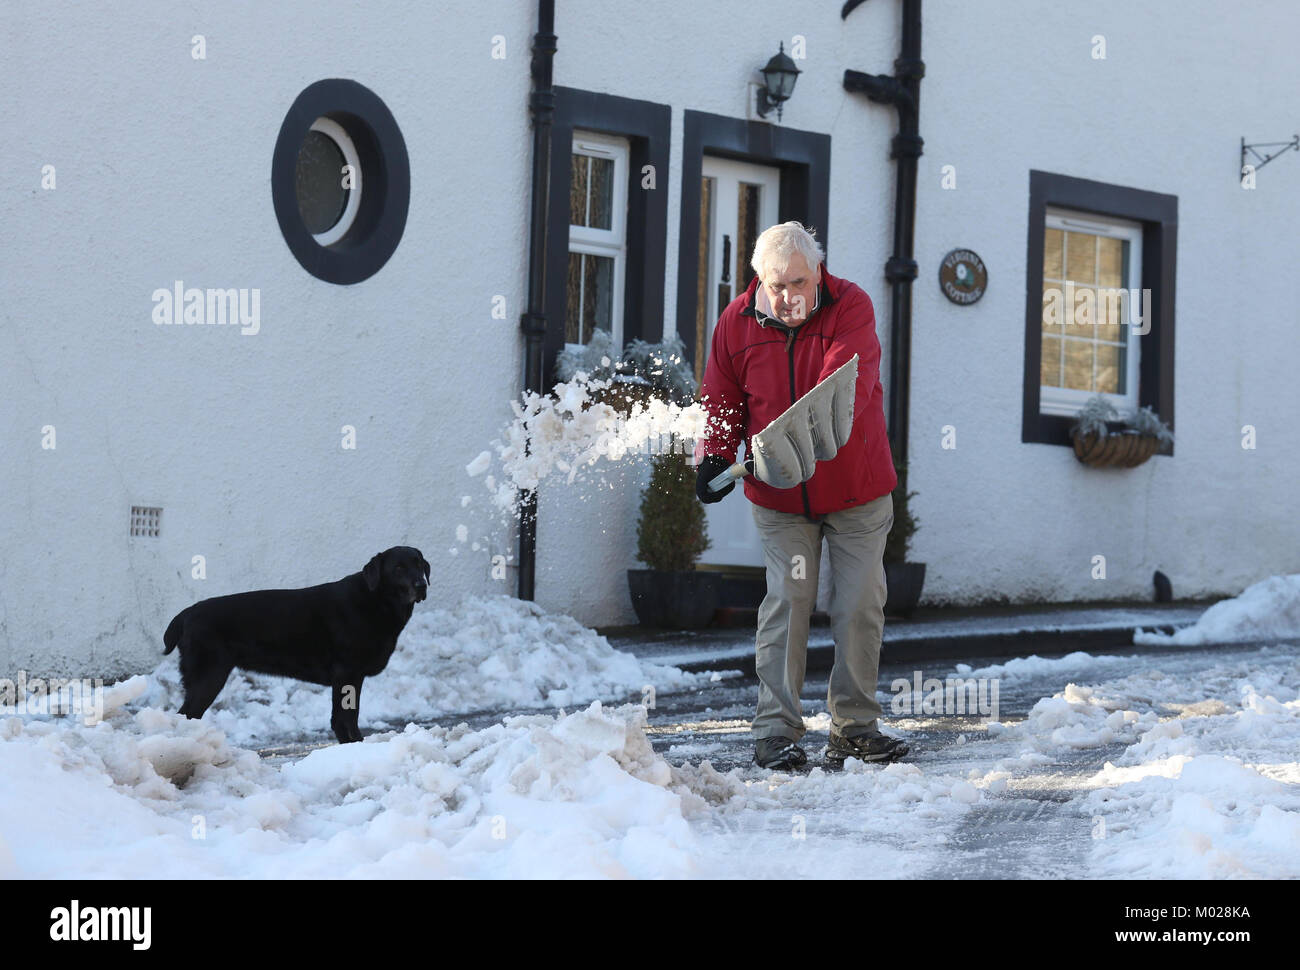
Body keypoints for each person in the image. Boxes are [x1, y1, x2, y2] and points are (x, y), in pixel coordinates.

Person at [694, 221, 909, 771]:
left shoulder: (850, 306)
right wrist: (717, 453)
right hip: (783, 502)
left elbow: (845, 390)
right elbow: (722, 396)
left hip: (856, 491)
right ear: (757, 280)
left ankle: (855, 728)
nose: (787, 296)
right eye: (775, 283)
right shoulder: (735, 324)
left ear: (818, 274)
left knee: (858, 604)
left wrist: (790, 446)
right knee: (787, 605)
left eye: (797, 282)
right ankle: (776, 732)